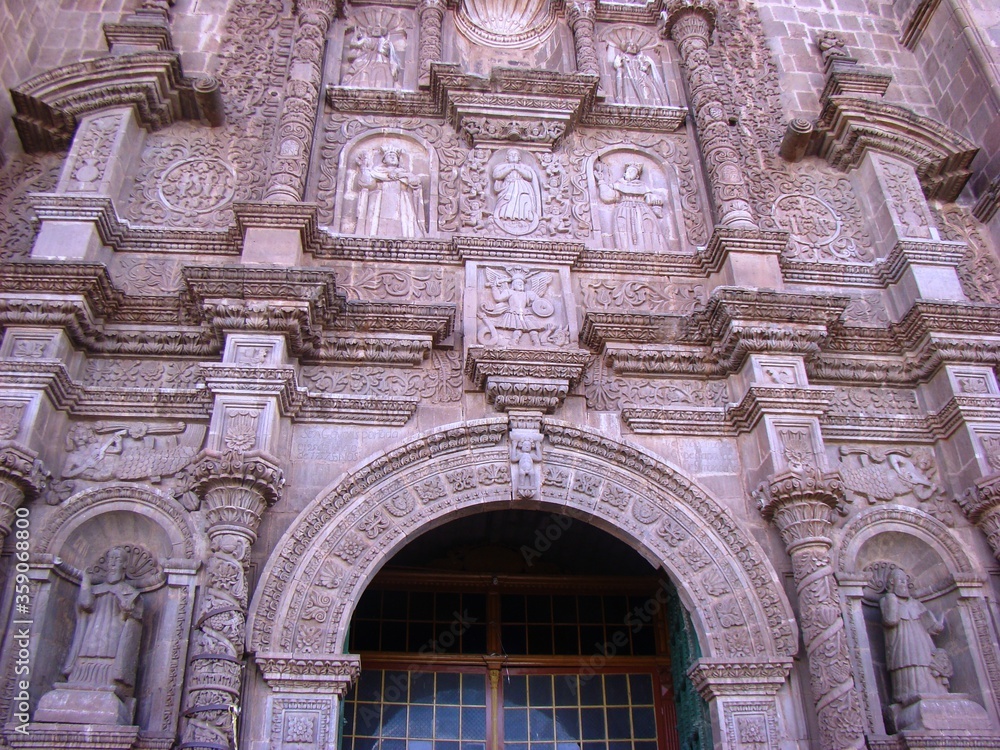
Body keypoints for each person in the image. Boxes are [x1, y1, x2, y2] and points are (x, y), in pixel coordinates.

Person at [62, 547, 143, 695]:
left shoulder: (129, 591)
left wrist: (127, 610)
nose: (112, 564)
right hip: (92, 634)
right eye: (110, 560)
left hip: (114, 636)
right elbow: (85, 604)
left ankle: (111, 684)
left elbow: (133, 618)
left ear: (124, 565)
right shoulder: (96, 589)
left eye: (117, 560)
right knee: (86, 657)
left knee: (110, 661)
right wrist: (86, 581)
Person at [880, 567, 950, 706]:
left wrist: (937, 625)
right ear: (892, 584)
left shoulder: (915, 603)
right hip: (902, 643)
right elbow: (891, 620)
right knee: (908, 663)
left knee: (924, 663)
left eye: (905, 581)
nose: (904, 584)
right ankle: (908, 696)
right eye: (900, 581)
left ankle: (933, 694)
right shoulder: (887, 601)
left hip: (922, 642)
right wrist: (891, 597)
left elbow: (929, 624)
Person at [595, 161, 671, 252]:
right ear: (624, 173)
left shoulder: (642, 186)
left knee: (648, 230)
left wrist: (656, 200)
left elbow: (649, 198)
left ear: (637, 176)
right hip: (623, 211)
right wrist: (601, 182)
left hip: (643, 211)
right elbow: (608, 197)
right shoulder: (619, 184)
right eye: (629, 171)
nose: (630, 173)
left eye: (633, 172)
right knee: (623, 231)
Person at [354, 147, 426, 238]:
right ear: (384, 160)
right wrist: (363, 168)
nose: (392, 157)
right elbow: (367, 184)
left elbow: (416, 183)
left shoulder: (404, 173)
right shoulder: (377, 172)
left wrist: (403, 175)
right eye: (390, 155)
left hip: (403, 207)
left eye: (395, 156)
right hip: (378, 205)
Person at [492, 149, 541, 235]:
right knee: (508, 203)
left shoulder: (523, 167)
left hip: (522, 187)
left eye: (516, 155)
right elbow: (496, 175)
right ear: (507, 158)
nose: (513, 156)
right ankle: (508, 219)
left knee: (523, 203)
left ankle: (523, 219)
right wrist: (510, 168)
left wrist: (518, 169)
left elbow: (530, 176)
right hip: (508, 187)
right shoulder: (503, 166)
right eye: (511, 155)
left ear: (519, 158)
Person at [612, 41, 668, 107]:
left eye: (634, 46)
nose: (632, 47)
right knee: (629, 91)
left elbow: (648, 64)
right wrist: (622, 61)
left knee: (647, 90)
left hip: (642, 76)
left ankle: (649, 103)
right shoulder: (621, 56)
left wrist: (644, 66)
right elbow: (617, 64)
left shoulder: (642, 57)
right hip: (628, 76)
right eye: (630, 45)